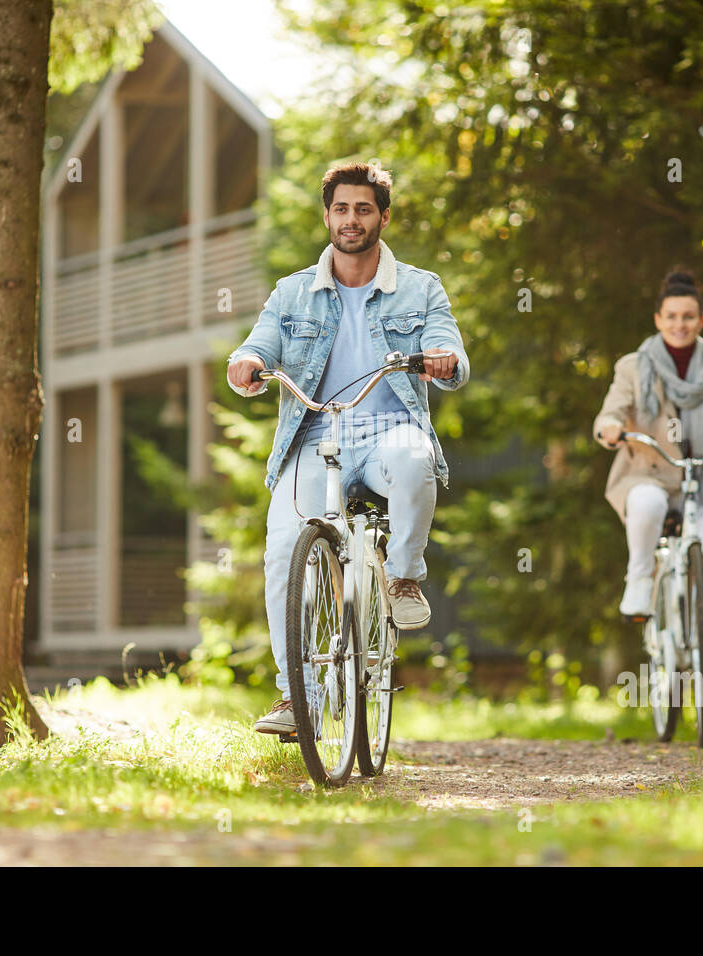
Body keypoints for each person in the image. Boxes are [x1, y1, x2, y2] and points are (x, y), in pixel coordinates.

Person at [226, 161, 470, 734]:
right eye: (341, 208)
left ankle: (403, 577)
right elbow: (258, 342)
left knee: (416, 461)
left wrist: (443, 359)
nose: (351, 219)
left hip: (389, 431)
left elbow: (447, 347)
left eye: (363, 208)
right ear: (328, 216)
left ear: (383, 216)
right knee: (284, 549)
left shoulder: (420, 286)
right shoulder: (292, 293)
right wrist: (247, 363)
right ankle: (298, 698)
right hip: (315, 436)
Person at [593, 270, 703, 717]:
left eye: (688, 317)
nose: (680, 324)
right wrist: (611, 428)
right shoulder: (633, 366)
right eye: (671, 316)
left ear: (702, 321)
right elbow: (610, 412)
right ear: (658, 319)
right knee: (648, 503)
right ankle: (639, 581)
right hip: (649, 474)